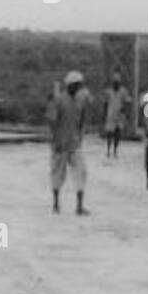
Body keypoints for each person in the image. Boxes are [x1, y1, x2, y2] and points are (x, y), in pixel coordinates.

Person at [47, 70, 91, 215]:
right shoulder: (59, 100)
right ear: (70, 85)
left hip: (74, 143)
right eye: (78, 86)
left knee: (81, 172)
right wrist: (55, 140)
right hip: (61, 143)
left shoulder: (80, 101)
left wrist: (80, 136)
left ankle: (79, 206)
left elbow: (82, 120)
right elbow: (52, 121)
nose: (80, 88)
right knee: (57, 173)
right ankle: (56, 204)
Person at [102, 72, 130, 159]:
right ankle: (108, 150)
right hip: (110, 114)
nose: (116, 84)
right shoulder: (108, 92)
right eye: (114, 82)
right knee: (109, 133)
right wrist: (104, 114)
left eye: (117, 82)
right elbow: (105, 103)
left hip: (119, 115)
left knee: (117, 133)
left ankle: (115, 150)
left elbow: (127, 102)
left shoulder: (123, 91)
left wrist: (125, 110)